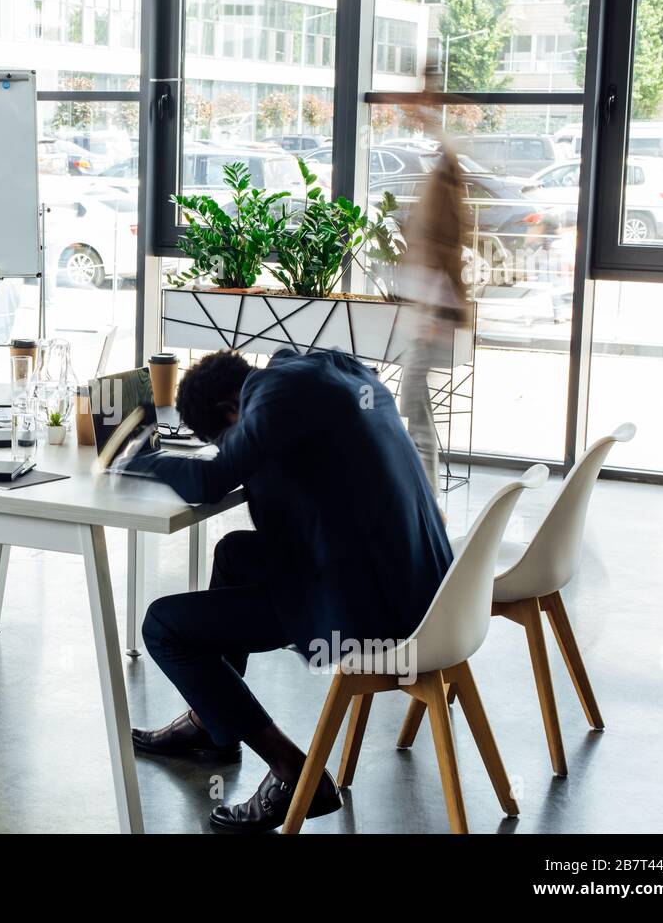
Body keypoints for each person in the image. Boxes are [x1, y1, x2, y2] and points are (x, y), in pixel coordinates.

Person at [125, 348, 453, 833]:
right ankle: (211, 724)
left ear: (229, 411)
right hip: (427, 588)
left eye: (223, 438)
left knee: (163, 626)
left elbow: (211, 480)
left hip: (373, 611)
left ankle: (294, 771)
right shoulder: (326, 371)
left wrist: (137, 459)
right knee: (235, 552)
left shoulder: (272, 399)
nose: (230, 447)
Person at [398, 118, 471, 490]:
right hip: (426, 326)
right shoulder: (443, 205)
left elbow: (436, 278)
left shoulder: (442, 220)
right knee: (417, 413)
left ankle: (425, 496)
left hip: (429, 329)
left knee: (413, 409)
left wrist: (428, 320)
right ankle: (426, 494)